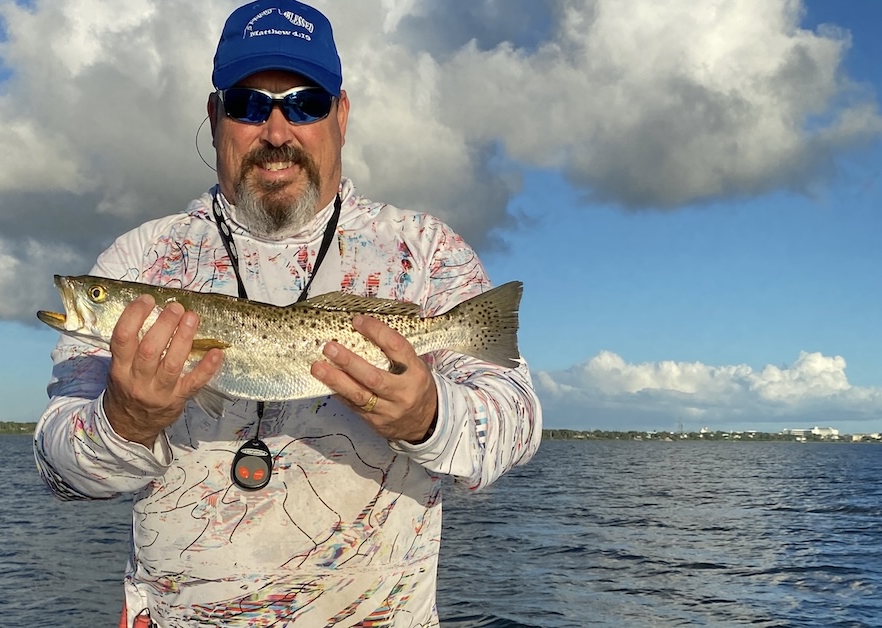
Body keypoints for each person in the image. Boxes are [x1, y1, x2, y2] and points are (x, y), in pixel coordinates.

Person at [33, 1, 541, 626]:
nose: (277, 131)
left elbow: (517, 427)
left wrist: (429, 415)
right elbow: (61, 471)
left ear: (342, 115)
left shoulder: (426, 253)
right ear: (216, 116)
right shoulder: (139, 261)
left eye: (305, 103)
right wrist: (125, 418)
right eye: (250, 105)